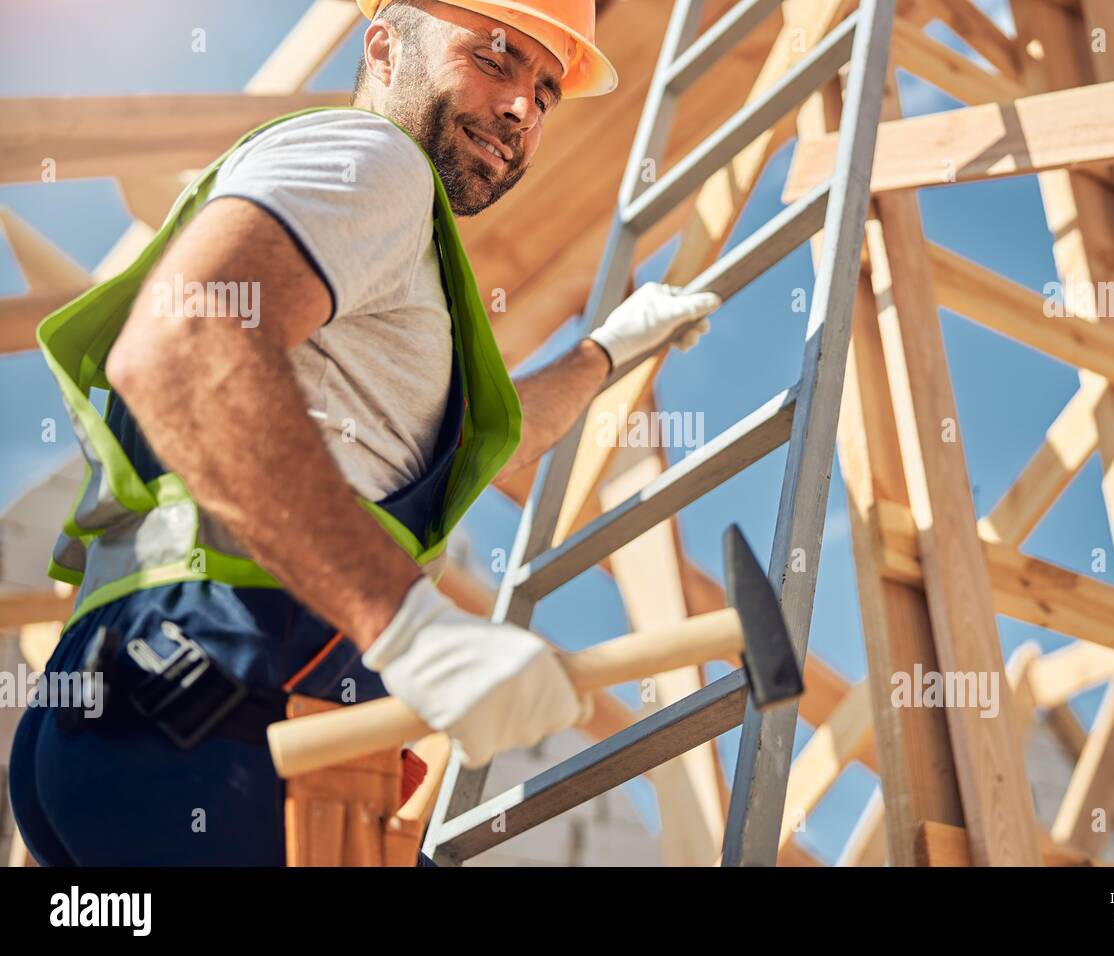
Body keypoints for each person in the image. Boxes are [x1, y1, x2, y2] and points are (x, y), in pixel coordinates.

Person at [9, 0, 721, 865]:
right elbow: (184, 342)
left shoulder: (386, 259)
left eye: (546, 90)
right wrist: (406, 623)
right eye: (495, 60)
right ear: (382, 48)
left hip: (155, 712)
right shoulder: (377, 160)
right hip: (227, 700)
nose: (522, 109)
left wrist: (607, 351)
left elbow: (468, 447)